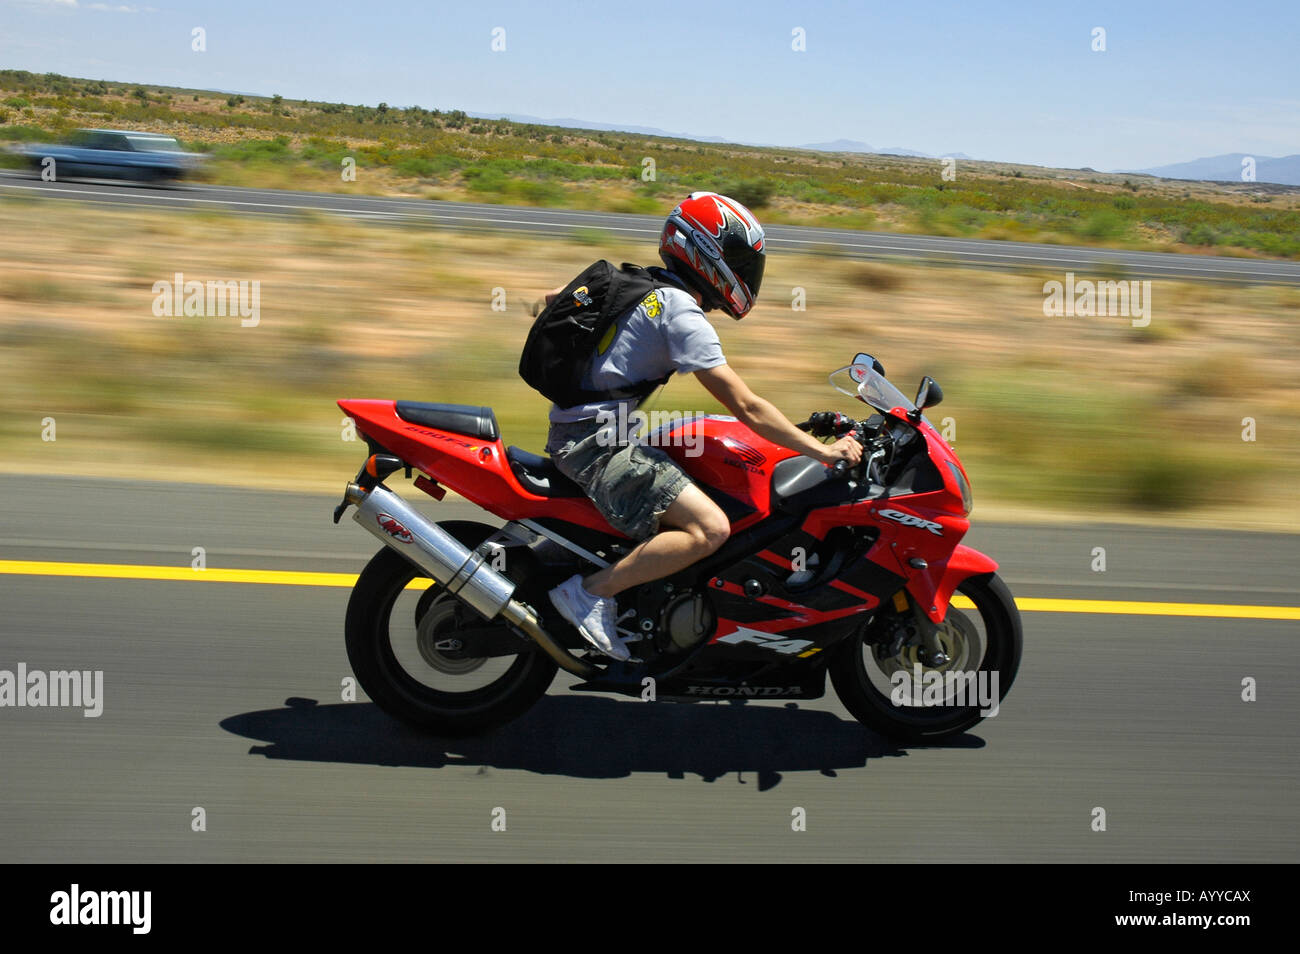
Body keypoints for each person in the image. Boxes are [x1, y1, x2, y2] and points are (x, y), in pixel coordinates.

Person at [542, 191, 862, 660]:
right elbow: (747, 407)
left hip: (586, 434)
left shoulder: (641, 284)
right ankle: (591, 593)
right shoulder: (679, 312)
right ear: (705, 251)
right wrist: (823, 451)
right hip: (595, 446)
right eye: (737, 259)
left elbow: (550, 301)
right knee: (709, 528)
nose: (746, 272)